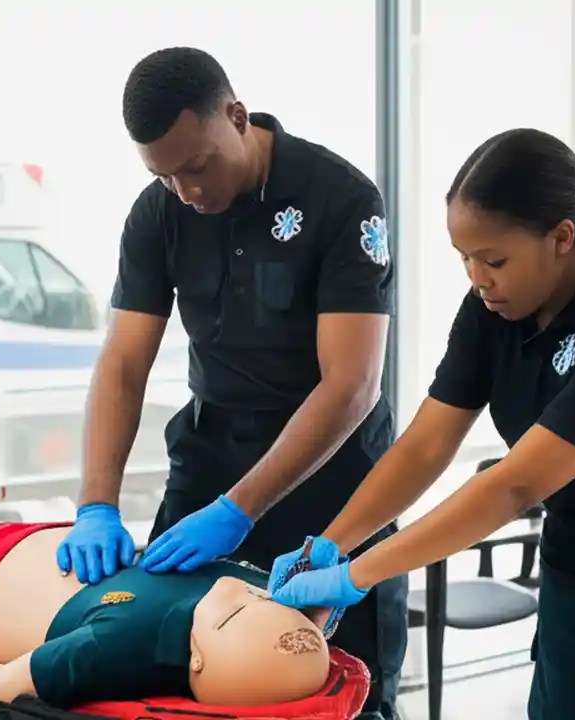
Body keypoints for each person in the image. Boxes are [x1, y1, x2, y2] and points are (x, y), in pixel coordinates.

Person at [268, 128, 575, 719]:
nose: (477, 277)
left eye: (494, 259)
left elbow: (517, 483)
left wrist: (360, 574)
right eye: (465, 258)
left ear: (561, 237)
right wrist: (330, 545)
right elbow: (427, 444)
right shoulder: (494, 307)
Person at [55, 46, 407, 719]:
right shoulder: (158, 213)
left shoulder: (341, 199)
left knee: (338, 692)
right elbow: (125, 362)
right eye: (165, 176)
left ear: (238, 117)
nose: (188, 190)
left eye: (197, 166)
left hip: (332, 483)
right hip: (210, 465)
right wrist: (95, 503)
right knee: (166, 670)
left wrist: (241, 510)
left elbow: (352, 385)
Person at [0, 518, 332, 709]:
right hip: (39, 538)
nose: (245, 593)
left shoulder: (123, 645)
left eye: (234, 612)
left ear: (193, 658)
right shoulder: (260, 598)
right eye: (261, 596)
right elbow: (309, 618)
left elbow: (5, 682)